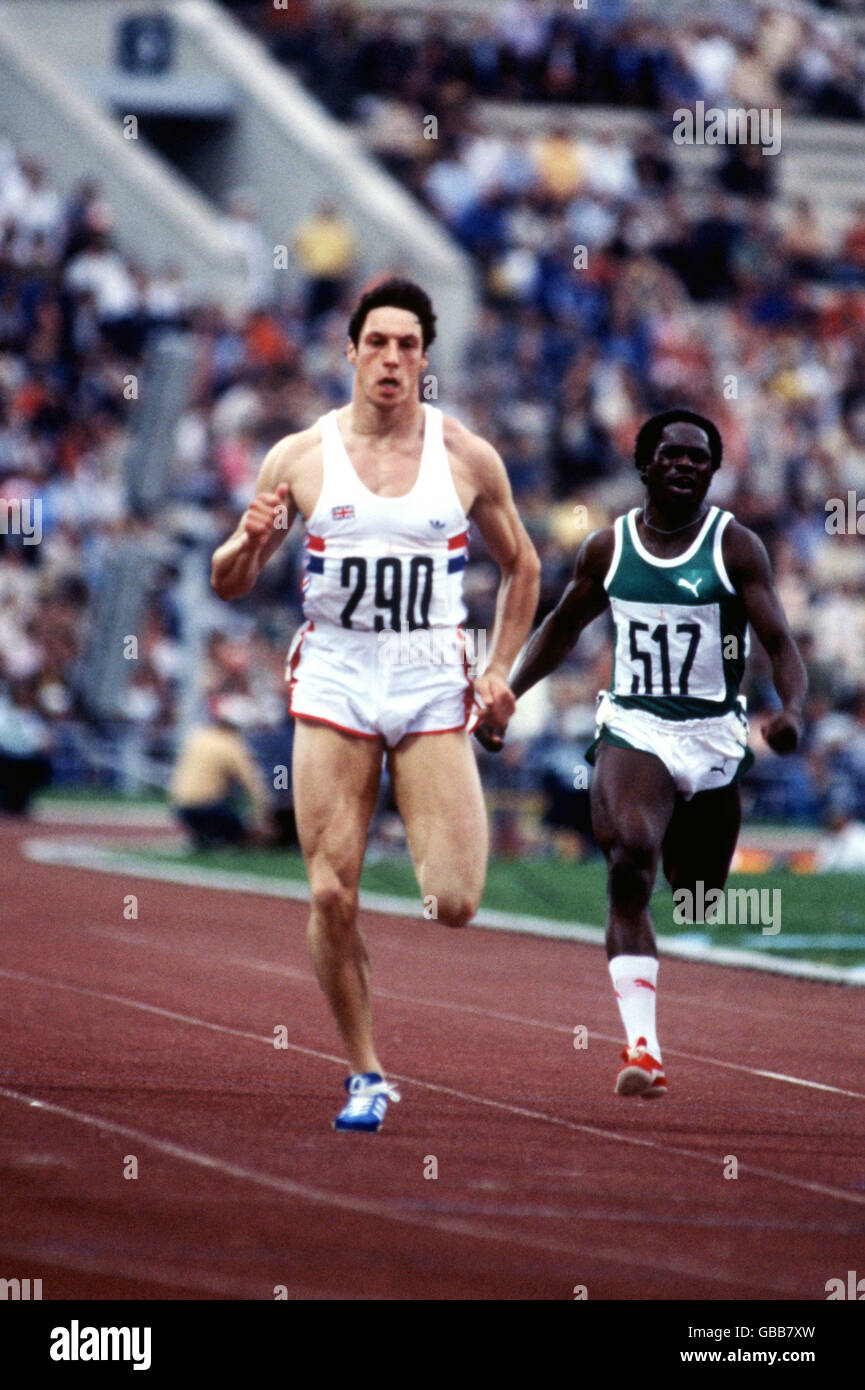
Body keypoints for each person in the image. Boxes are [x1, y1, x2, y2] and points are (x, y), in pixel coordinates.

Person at [210, 278, 540, 1130]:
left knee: (455, 902)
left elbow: (525, 567)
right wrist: (247, 541)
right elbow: (229, 582)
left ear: (425, 360)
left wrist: (499, 668)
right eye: (377, 343)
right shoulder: (300, 457)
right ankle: (364, 1072)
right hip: (337, 674)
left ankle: (402, 837)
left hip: (431, 672)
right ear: (349, 353)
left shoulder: (465, 456)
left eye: (407, 345)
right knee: (329, 892)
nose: (391, 358)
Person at [476, 409, 806, 1098]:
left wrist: (791, 710)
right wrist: (506, 692)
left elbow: (778, 642)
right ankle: (643, 1050)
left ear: (711, 473)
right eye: (672, 454)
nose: (685, 465)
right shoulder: (608, 548)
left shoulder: (734, 546)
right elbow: (562, 628)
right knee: (629, 856)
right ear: (644, 466)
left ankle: (687, 890)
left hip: (713, 735)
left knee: (696, 899)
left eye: (699, 459)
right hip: (636, 728)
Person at [170, 700, 276, 851]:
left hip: (181, 807)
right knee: (242, 834)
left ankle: (205, 837)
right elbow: (252, 782)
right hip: (210, 808)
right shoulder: (231, 744)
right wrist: (267, 810)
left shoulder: (199, 736)